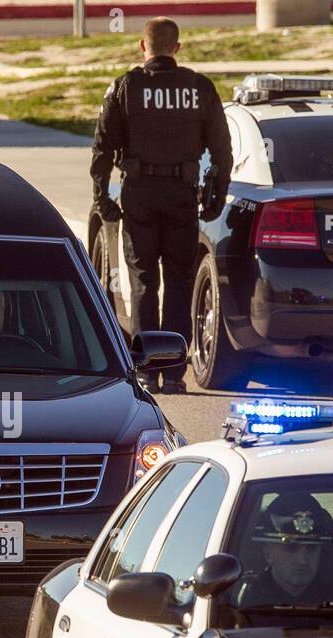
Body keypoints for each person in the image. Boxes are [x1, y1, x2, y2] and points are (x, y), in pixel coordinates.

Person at [90, 17, 232, 395]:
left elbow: (102, 146)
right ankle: (173, 373)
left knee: (142, 281)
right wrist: (216, 196)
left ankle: (145, 370)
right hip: (182, 194)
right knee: (180, 280)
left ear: (142, 46)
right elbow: (222, 150)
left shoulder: (125, 87)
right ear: (178, 48)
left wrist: (101, 196)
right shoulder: (200, 88)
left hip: (139, 193)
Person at [237, 493, 333, 607]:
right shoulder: (244, 605)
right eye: (291, 548)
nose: (302, 560)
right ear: (268, 553)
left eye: (311, 548)